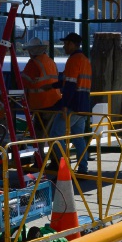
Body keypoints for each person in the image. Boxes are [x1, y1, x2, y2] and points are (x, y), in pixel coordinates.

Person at [48, 32, 93, 174]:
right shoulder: (85, 60)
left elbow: (70, 85)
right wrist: (53, 86)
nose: (64, 46)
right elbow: (72, 82)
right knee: (78, 137)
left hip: (72, 105)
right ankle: (83, 168)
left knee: (55, 135)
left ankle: (65, 168)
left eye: (66, 43)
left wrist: (64, 105)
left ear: (73, 44)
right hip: (83, 105)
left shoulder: (73, 60)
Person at [20, 37, 62, 139]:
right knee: (52, 134)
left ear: (32, 51)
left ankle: (41, 154)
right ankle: (54, 154)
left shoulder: (33, 63)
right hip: (55, 101)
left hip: (41, 104)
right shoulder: (51, 62)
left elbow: (23, 82)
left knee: (39, 134)